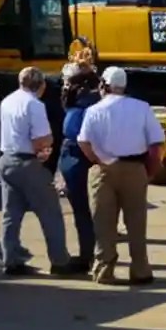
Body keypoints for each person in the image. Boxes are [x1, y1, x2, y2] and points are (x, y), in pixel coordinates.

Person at [77, 66, 166, 285]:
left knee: (103, 223)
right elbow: (157, 143)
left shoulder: (94, 110)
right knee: (136, 222)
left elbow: (83, 141)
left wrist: (97, 160)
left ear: (104, 86)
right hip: (134, 167)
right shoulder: (142, 108)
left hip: (103, 169)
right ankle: (140, 269)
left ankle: (104, 269)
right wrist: (151, 170)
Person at [0, 66, 82, 277]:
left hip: (6, 160)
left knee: (11, 214)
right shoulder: (34, 105)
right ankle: (60, 261)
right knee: (50, 213)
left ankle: (11, 259)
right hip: (28, 163)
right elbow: (40, 138)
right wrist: (48, 148)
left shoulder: (8, 101)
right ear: (41, 86)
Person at [57, 59, 102, 273]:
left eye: (67, 80)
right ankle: (92, 253)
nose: (64, 84)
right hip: (77, 157)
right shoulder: (88, 101)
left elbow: (80, 136)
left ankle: (88, 255)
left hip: (78, 157)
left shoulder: (83, 105)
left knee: (83, 211)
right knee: (87, 210)